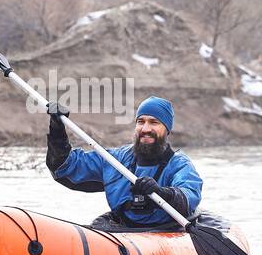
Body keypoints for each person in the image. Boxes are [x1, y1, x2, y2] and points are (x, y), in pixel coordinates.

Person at [46, 95, 202, 231]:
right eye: (141, 122)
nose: (145, 128)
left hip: (166, 231)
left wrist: (161, 192)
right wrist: (57, 129)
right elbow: (66, 167)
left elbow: (189, 195)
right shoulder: (116, 160)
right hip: (123, 232)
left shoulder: (179, 164)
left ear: (167, 129)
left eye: (154, 122)